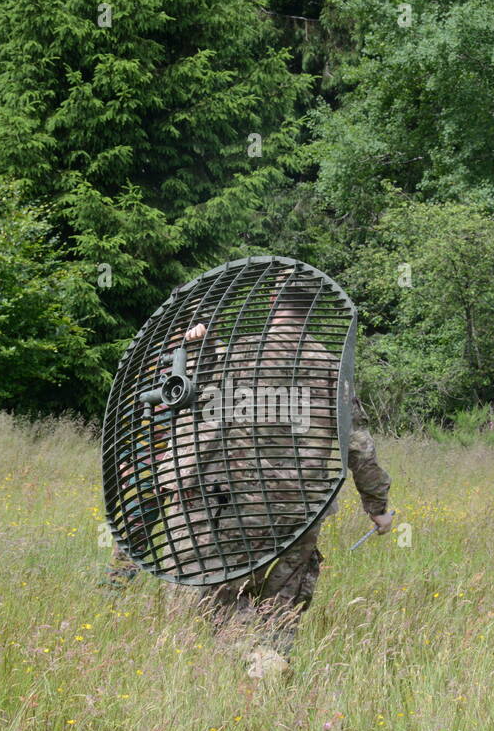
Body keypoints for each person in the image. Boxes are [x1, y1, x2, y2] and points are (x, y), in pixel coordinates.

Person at [163, 266, 391, 679]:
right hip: (299, 510)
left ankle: (245, 659)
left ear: (269, 302)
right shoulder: (329, 367)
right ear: (312, 311)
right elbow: (357, 443)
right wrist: (378, 507)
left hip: (232, 503)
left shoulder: (238, 351)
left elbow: (193, 411)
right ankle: (269, 664)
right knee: (283, 601)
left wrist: (198, 347)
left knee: (218, 590)